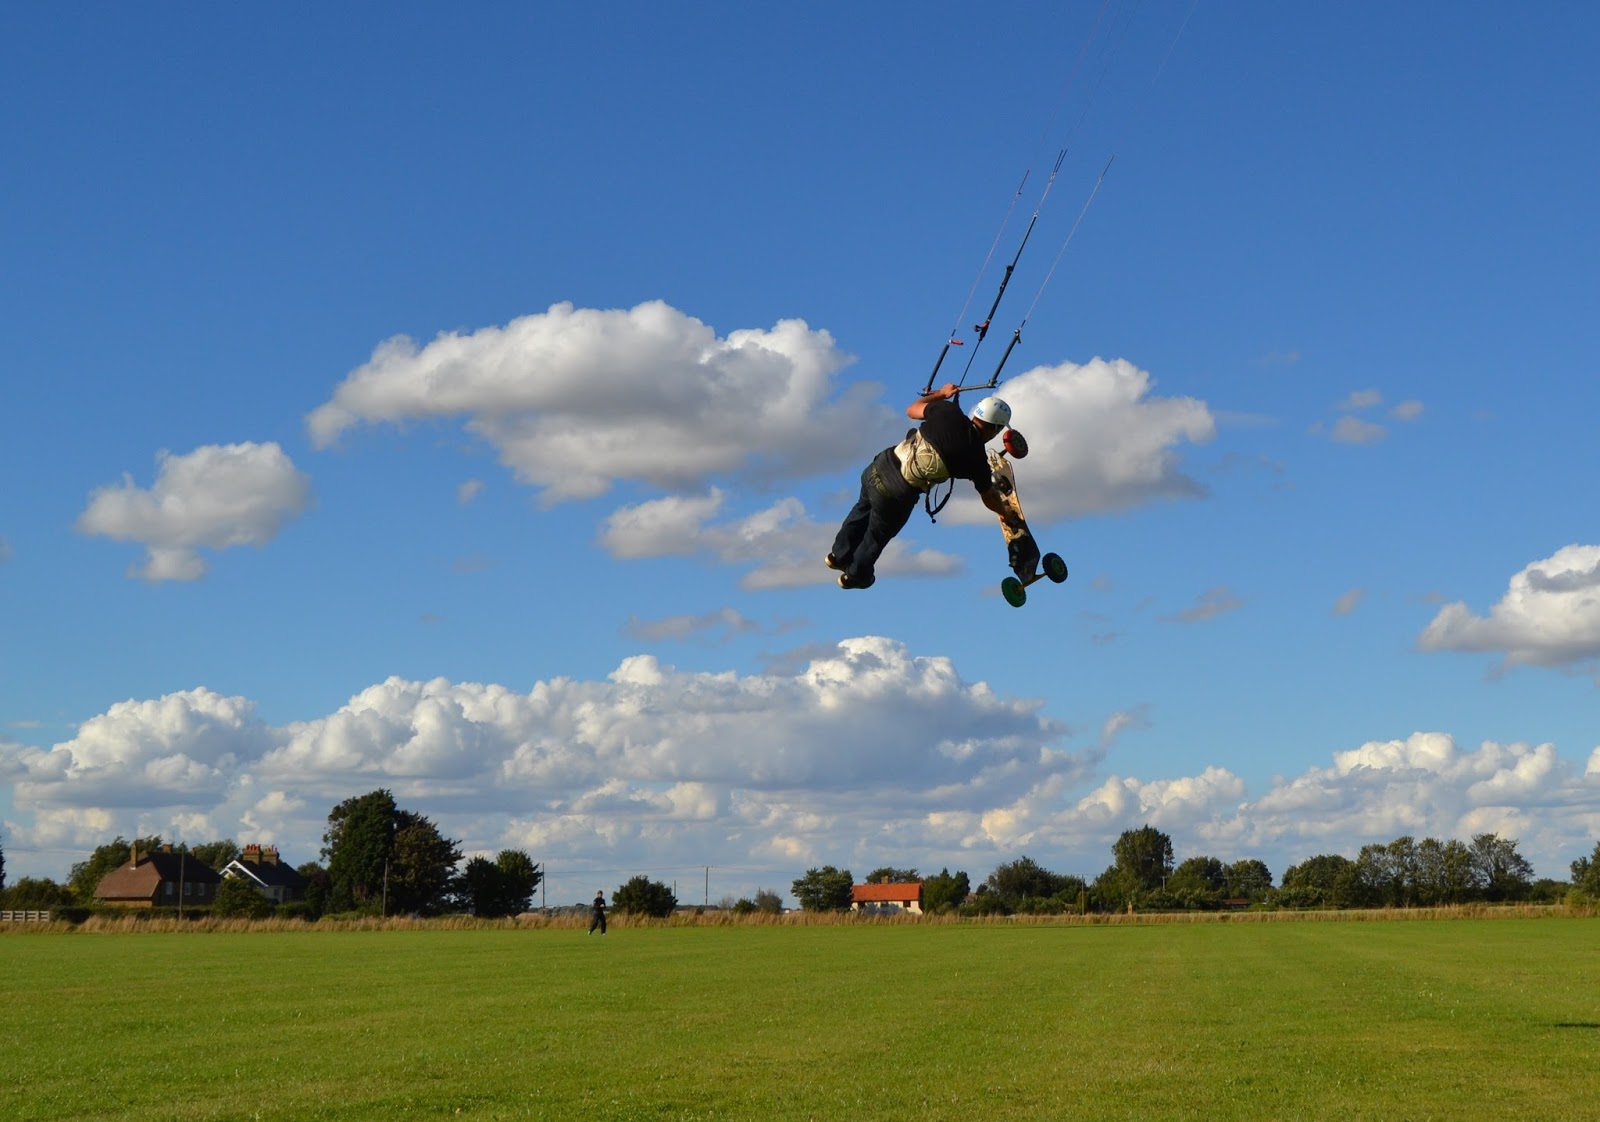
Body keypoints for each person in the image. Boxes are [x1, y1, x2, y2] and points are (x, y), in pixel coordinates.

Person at [827, 383, 1020, 589]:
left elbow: (912, 409)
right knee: (877, 535)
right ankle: (855, 576)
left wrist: (942, 395)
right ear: (996, 429)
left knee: (861, 510)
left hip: (878, 466)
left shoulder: (948, 410)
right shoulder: (976, 459)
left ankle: (837, 556)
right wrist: (1006, 513)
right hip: (896, 492)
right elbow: (988, 496)